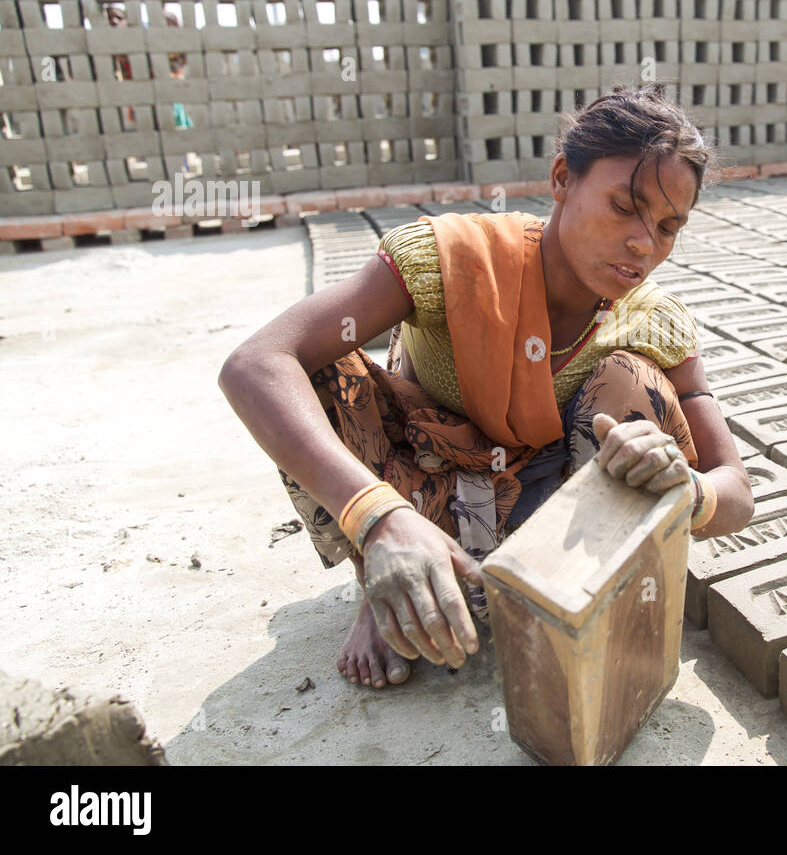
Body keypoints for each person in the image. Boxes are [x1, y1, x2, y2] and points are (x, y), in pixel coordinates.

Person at [218, 84, 754, 689]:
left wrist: (691, 489)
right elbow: (257, 363)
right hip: (423, 485)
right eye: (624, 207)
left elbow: (736, 489)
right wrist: (377, 521)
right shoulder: (457, 260)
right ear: (561, 178)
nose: (644, 243)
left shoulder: (651, 318)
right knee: (321, 375)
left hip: (549, 505)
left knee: (634, 383)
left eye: (667, 226)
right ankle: (387, 575)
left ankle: (561, 582)